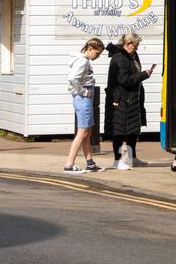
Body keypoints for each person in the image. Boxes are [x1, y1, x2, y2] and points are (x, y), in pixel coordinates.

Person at [106, 32, 154, 170]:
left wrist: (142, 76)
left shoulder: (132, 55)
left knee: (133, 130)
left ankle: (132, 158)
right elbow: (124, 80)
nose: (137, 49)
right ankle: (117, 160)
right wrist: (144, 75)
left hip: (133, 98)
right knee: (119, 131)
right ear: (127, 44)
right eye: (135, 46)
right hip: (120, 100)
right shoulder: (119, 58)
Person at [64, 38, 105, 174]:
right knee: (82, 132)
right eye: (97, 53)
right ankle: (69, 165)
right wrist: (84, 92)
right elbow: (72, 78)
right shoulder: (83, 61)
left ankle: (90, 163)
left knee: (87, 132)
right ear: (90, 48)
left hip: (84, 99)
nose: (97, 57)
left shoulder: (83, 60)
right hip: (83, 99)